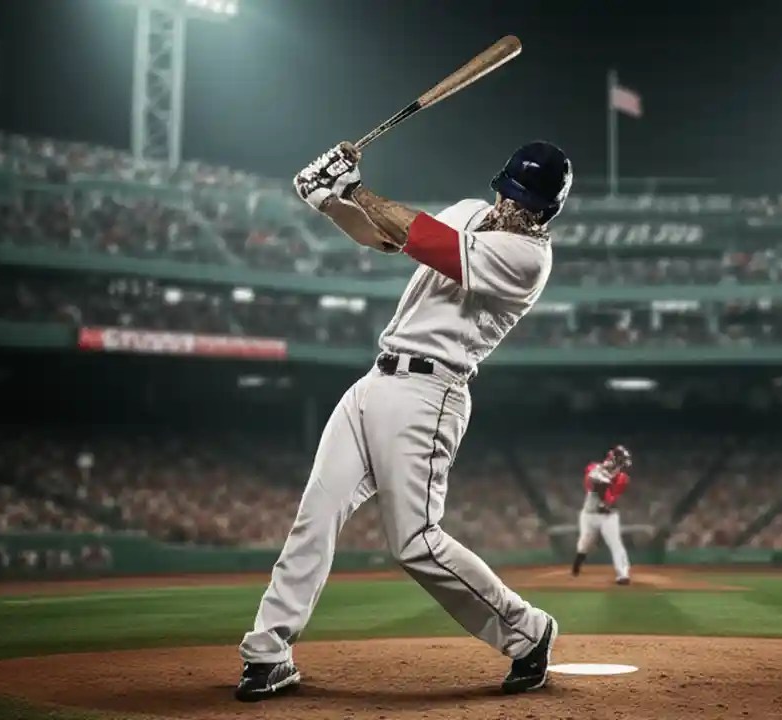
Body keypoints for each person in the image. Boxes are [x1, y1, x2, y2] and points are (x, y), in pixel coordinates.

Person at [235, 139, 572, 701]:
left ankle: (528, 633)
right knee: (316, 512)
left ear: (543, 211)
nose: (512, 206)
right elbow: (386, 235)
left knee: (414, 541)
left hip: (431, 392)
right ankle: (268, 650)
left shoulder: (530, 259)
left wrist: (355, 188)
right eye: (510, 193)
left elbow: (430, 243)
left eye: (526, 203)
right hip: (376, 380)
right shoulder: (470, 209)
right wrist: (327, 201)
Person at [571, 445, 633, 585]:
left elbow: (611, 497)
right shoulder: (593, 467)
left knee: (615, 543)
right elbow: (589, 480)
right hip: (589, 514)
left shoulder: (622, 478)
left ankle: (623, 574)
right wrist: (601, 474)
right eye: (621, 461)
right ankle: (578, 562)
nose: (623, 465)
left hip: (608, 516)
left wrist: (605, 484)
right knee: (585, 542)